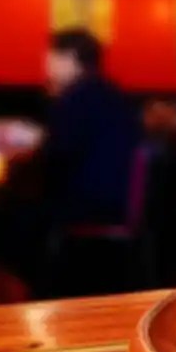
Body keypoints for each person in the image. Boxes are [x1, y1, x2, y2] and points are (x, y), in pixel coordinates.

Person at [42, 29, 142, 225]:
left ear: (70, 58)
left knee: (1, 217)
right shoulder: (111, 92)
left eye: (51, 58)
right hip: (117, 196)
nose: (47, 65)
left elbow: (57, 155)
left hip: (92, 203)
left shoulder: (76, 99)